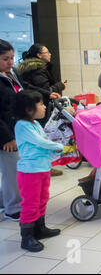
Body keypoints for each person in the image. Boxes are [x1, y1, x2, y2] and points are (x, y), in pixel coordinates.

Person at [14, 90, 65, 252]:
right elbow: (40, 142)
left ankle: (39, 229)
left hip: (42, 169)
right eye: (41, 104)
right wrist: (58, 147)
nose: (44, 107)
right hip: (29, 173)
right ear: (29, 109)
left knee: (43, 198)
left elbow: (43, 142)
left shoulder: (35, 124)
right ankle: (27, 237)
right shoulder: (22, 125)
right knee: (31, 203)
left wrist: (54, 153)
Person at [18, 44, 67, 177]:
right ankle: (45, 167)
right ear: (39, 55)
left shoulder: (27, 69)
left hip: (31, 107)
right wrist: (60, 85)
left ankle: (44, 166)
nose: (50, 54)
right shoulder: (38, 70)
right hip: (37, 107)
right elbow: (47, 91)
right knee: (42, 134)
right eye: (47, 52)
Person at [0, 39, 24, 221]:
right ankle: (13, 208)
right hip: (5, 135)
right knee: (12, 170)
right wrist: (7, 137)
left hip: (14, 129)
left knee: (12, 170)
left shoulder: (9, 75)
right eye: (5, 59)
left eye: (12, 58)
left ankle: (5, 201)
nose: (10, 62)